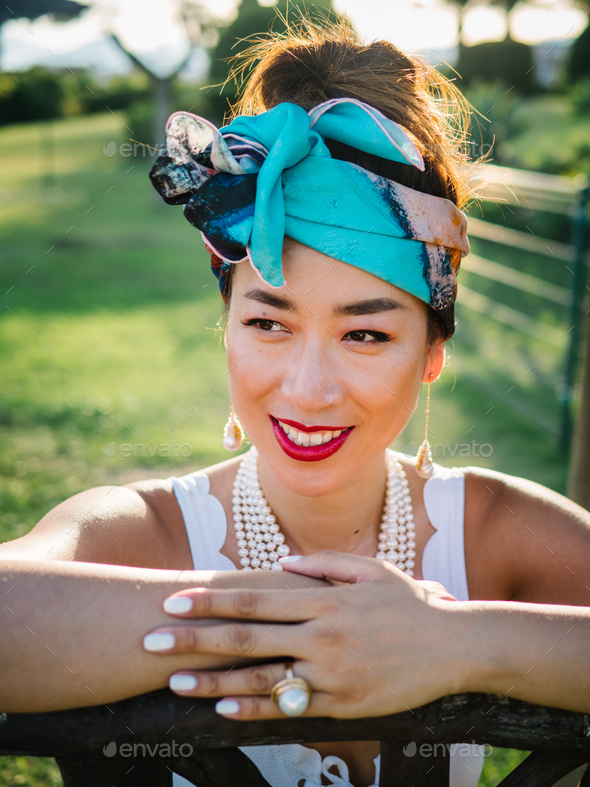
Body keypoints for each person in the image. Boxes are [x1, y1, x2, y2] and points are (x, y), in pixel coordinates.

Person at [1, 18, 589, 787]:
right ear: (226, 326)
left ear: (433, 353)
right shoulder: (143, 532)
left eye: (367, 335)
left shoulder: (498, 533)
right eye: (269, 323)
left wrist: (457, 636)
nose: (308, 389)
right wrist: (288, 613)